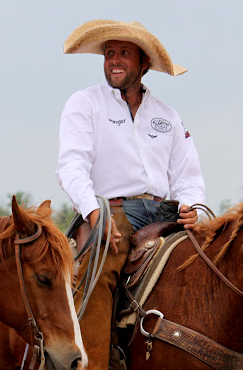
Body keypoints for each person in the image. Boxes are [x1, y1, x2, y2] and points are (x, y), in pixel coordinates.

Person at [57, 19, 206, 244]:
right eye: (109, 53)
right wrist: (94, 213)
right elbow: (72, 165)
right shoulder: (85, 103)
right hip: (113, 211)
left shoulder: (169, 115)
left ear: (144, 62)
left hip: (164, 215)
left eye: (124, 52)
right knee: (105, 271)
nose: (114, 60)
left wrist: (191, 207)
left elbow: (188, 176)